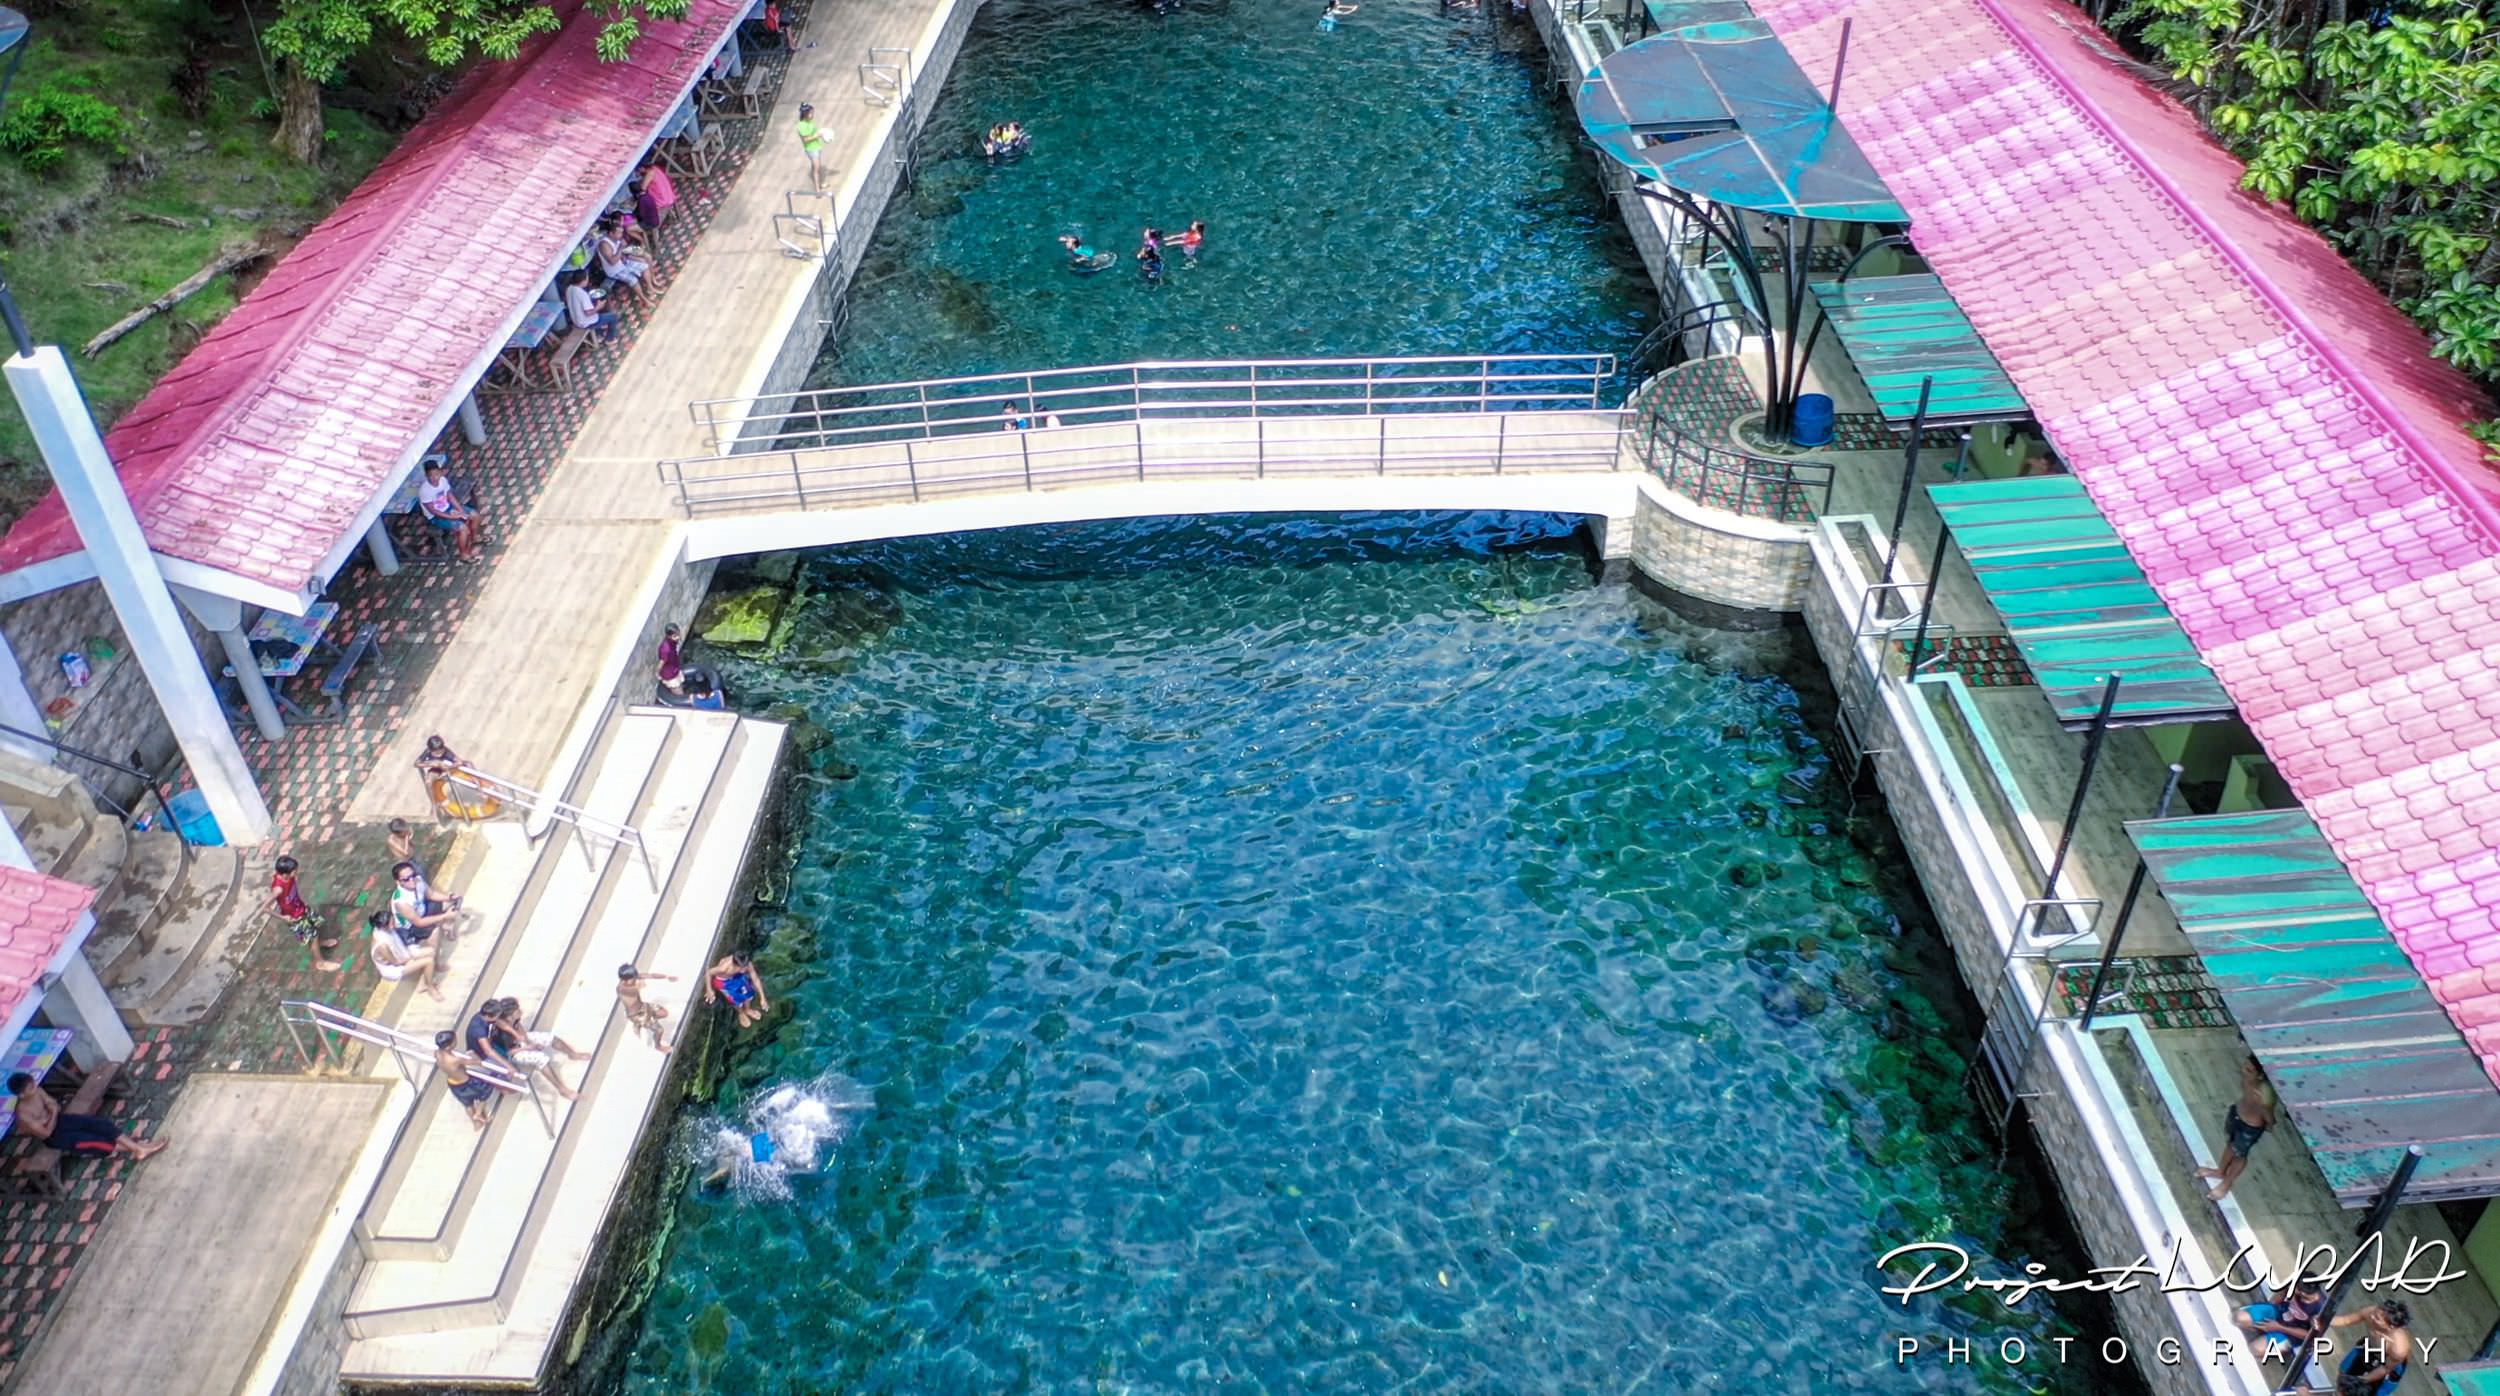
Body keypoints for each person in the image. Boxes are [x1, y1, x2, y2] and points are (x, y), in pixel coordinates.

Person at [8, 1071, 166, 1160]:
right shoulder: (23, 1115)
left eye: (33, 1084)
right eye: (30, 1088)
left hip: (60, 1121)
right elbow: (46, 1132)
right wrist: (53, 1111)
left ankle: (138, 1148)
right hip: (55, 1137)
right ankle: (137, 1149)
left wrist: (49, 1115)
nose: (35, 1087)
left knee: (99, 1125)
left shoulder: (37, 1090)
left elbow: (52, 1103)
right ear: (21, 1095)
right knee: (95, 1142)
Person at [2196, 1055, 2273, 1200]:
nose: (2244, 1071)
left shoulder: (2265, 1094)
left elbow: (2269, 1117)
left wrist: (2266, 1120)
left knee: (2240, 1154)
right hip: (2237, 1113)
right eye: (2244, 1067)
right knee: (2230, 1146)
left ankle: (2227, 1183)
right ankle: (2220, 1171)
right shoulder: (2247, 1080)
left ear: (2261, 1075)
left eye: (2249, 1070)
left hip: (2250, 1126)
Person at [487, 999, 590, 1102]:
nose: (520, 1011)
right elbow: (510, 1052)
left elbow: (520, 1028)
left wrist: (528, 1042)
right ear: (509, 1016)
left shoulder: (514, 1019)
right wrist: (528, 1048)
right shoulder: (502, 1034)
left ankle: (573, 1054)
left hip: (521, 1041)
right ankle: (562, 1089)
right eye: (517, 1010)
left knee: (550, 1038)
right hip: (514, 1052)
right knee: (541, 1059)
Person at [272, 854, 341, 971]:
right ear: (285, 873)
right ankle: (320, 963)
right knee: (312, 937)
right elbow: (263, 908)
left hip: (301, 908)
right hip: (295, 918)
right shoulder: (278, 889)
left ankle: (321, 942)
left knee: (315, 926)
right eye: (294, 871)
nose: (296, 873)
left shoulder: (287, 877)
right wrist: (282, 917)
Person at [2330, 1300, 2413, 1396]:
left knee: (2375, 1393)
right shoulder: (2372, 1312)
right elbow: (2345, 1320)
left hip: (2387, 1363)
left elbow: (2385, 1369)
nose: (2372, 1316)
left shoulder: (2398, 1348)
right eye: (2374, 1313)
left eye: (2377, 1318)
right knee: (2344, 1372)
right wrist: (2322, 1321)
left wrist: (2361, 1380)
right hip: (2368, 1347)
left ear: (2390, 1327)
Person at [2235, 1276, 2325, 1358]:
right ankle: (2260, 1328)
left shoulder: (2320, 1309)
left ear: (2303, 1292)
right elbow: (2280, 1296)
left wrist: (2278, 1327)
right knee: (2239, 1318)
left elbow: (2309, 1336)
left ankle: (2283, 1349)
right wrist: (2267, 1310)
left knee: (2255, 1349)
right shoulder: (2295, 1286)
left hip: (2290, 1333)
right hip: (2279, 1313)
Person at [370, 908, 445, 1000]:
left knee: (431, 952)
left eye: (393, 921)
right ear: (383, 927)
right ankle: (430, 987)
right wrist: (410, 957)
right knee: (429, 961)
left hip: (402, 954)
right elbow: (396, 962)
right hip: (393, 968)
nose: (394, 925)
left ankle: (423, 982)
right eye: (391, 924)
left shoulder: (385, 928)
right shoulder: (382, 946)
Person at [418, 460, 481, 563]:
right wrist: (453, 517)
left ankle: (475, 538)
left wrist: (460, 510)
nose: (435, 478)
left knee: (474, 515)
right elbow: (433, 511)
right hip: (436, 517)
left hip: (448, 507)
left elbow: (450, 496)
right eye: (431, 476)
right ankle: (463, 554)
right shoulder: (424, 491)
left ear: (441, 472)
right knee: (462, 528)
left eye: (437, 474)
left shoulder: (443, 480)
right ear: (426, 476)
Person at [391, 860, 461, 947]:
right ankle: (434, 952)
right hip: (411, 926)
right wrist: (445, 916)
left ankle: (446, 925)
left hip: (421, 910)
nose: (412, 880)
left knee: (451, 902)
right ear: (399, 882)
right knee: (435, 932)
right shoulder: (401, 902)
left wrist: (449, 897)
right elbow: (419, 922)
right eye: (406, 879)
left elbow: (431, 894)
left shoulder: (418, 880)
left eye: (413, 875)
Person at [435, 1032, 495, 1130]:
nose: (456, 1042)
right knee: (487, 1091)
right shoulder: (455, 1059)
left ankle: (476, 1124)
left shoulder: (437, 1053)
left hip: (453, 1083)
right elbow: (477, 1062)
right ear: (448, 1047)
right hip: (467, 1083)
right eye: (455, 1041)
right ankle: (478, 1114)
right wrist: (474, 1056)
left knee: (468, 1104)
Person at [617, 964, 678, 1052]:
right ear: (624, 979)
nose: (635, 979)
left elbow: (651, 975)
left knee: (664, 1013)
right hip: (637, 1015)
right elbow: (633, 991)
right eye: (632, 979)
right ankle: (658, 1046)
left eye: (635, 977)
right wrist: (639, 985)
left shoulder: (632, 978)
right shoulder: (621, 989)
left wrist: (667, 977)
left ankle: (645, 1023)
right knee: (659, 1030)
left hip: (644, 1006)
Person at [705, 952, 772, 1029]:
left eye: (745, 967)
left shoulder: (746, 964)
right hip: (723, 982)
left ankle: (748, 1009)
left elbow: (756, 979)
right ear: (735, 964)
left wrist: (763, 998)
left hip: (737, 976)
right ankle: (741, 1013)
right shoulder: (724, 968)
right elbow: (708, 973)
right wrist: (709, 990)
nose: (744, 970)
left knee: (748, 992)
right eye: (742, 968)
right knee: (736, 1000)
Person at [562, 269, 621, 340]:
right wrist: (599, 307)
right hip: (585, 322)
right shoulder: (582, 294)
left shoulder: (569, 288)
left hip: (576, 320)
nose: (588, 280)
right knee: (613, 316)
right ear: (583, 281)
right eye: (587, 278)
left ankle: (599, 334)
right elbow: (588, 313)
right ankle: (610, 339)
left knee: (597, 308)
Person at [795, 103, 825, 191]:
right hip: (811, 149)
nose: (812, 115)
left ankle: (820, 183)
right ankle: (817, 189)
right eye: (811, 113)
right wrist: (817, 136)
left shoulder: (810, 121)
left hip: (817, 146)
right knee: (817, 168)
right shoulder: (801, 126)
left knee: (816, 166)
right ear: (805, 114)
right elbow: (806, 140)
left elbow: (814, 132)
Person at [657, 622, 686, 698]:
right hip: (669, 674)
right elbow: (661, 663)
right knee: (679, 693)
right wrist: (657, 673)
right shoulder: (666, 649)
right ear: (669, 636)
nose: (678, 637)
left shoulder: (673, 642)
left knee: (681, 685)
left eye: (678, 635)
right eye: (675, 636)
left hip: (675, 667)